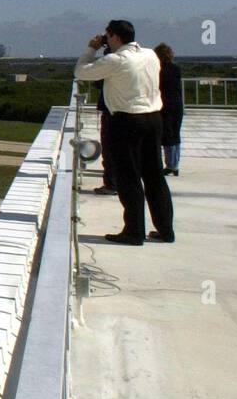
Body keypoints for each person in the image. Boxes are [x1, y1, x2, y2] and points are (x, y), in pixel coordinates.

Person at [74, 20, 174, 245]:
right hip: (153, 118)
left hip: (127, 120)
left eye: (107, 36)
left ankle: (134, 231)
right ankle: (166, 229)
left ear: (115, 37)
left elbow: (81, 72)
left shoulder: (116, 60)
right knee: (154, 175)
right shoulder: (150, 55)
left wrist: (91, 48)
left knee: (128, 177)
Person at [155, 43, 184, 175]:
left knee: (167, 135)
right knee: (175, 133)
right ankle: (175, 164)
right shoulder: (176, 68)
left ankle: (170, 164)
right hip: (177, 103)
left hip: (165, 104)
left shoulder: (159, 70)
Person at [93, 80, 117, 195]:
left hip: (111, 112)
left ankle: (111, 185)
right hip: (126, 112)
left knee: (109, 150)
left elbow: (97, 81)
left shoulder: (113, 68)